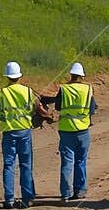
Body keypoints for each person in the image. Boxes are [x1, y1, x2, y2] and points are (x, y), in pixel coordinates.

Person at [42, 62, 98, 202]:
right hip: (83, 131)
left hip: (66, 130)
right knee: (81, 161)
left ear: (71, 75)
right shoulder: (88, 90)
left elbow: (59, 107)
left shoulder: (64, 89)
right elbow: (92, 109)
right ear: (82, 76)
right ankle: (80, 191)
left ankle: (66, 193)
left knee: (67, 162)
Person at [0, 61, 42, 208]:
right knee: (25, 165)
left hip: (8, 132)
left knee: (8, 165)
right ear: (19, 76)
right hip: (24, 132)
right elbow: (34, 108)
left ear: (7, 77)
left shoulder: (1, 93)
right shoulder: (27, 91)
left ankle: (9, 199)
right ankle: (27, 198)